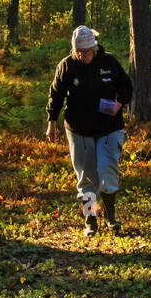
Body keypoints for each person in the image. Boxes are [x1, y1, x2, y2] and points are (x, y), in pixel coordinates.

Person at [46, 26, 133, 237]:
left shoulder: (109, 63)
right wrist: (51, 121)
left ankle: (111, 217)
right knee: (86, 179)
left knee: (107, 171)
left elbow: (127, 87)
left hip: (108, 127)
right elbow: (56, 94)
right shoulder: (66, 66)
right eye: (78, 51)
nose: (81, 55)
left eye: (85, 51)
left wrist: (120, 103)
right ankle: (90, 220)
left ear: (93, 48)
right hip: (78, 129)